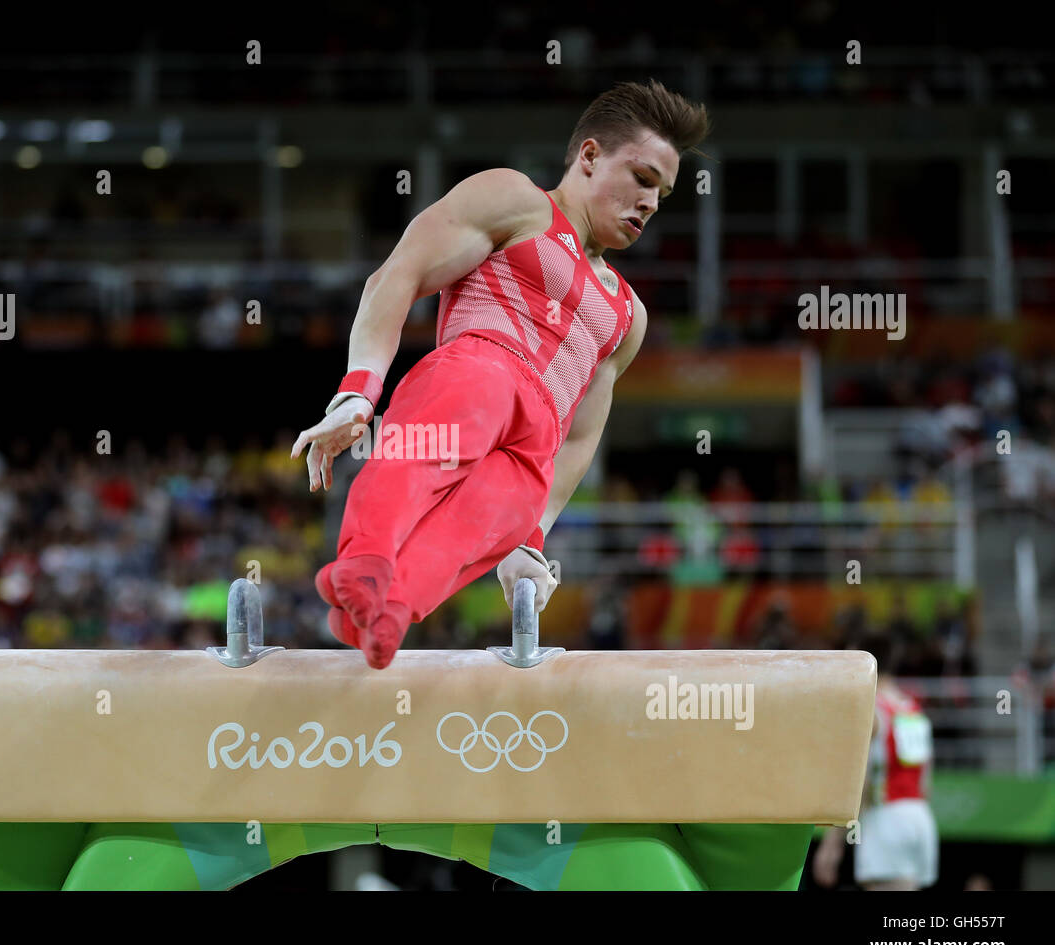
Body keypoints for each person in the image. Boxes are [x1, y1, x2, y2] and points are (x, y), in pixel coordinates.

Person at [291, 80, 709, 667]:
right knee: (423, 453)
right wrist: (357, 395)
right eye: (642, 179)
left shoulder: (627, 316)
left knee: (477, 530)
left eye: (663, 193)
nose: (651, 203)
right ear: (589, 157)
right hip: (486, 366)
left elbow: (581, 437)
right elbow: (397, 276)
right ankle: (366, 560)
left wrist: (532, 537)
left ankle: (387, 610)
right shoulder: (518, 202)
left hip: (533, 448)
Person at [813, 636, 938, 890]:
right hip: (920, 818)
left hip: (887, 819)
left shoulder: (872, 711)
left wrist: (833, 843)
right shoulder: (914, 710)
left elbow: (862, 781)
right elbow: (927, 781)